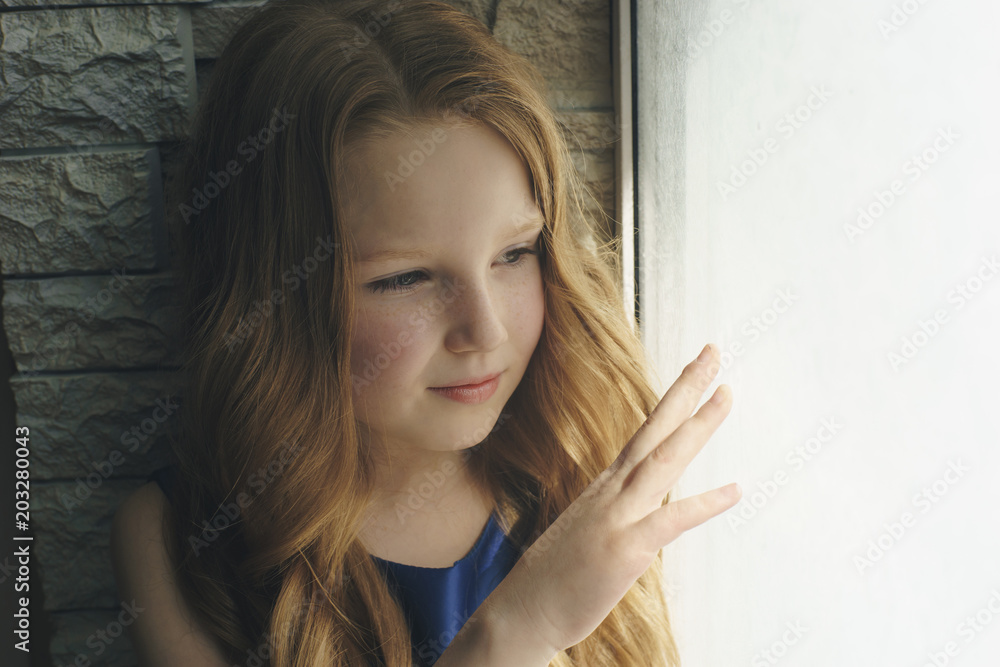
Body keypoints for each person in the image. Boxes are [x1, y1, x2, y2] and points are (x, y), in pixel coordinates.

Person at [109, 1, 742, 665]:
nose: (484, 328)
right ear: (277, 298)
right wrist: (518, 631)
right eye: (404, 279)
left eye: (515, 253)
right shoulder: (177, 542)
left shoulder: (578, 469)